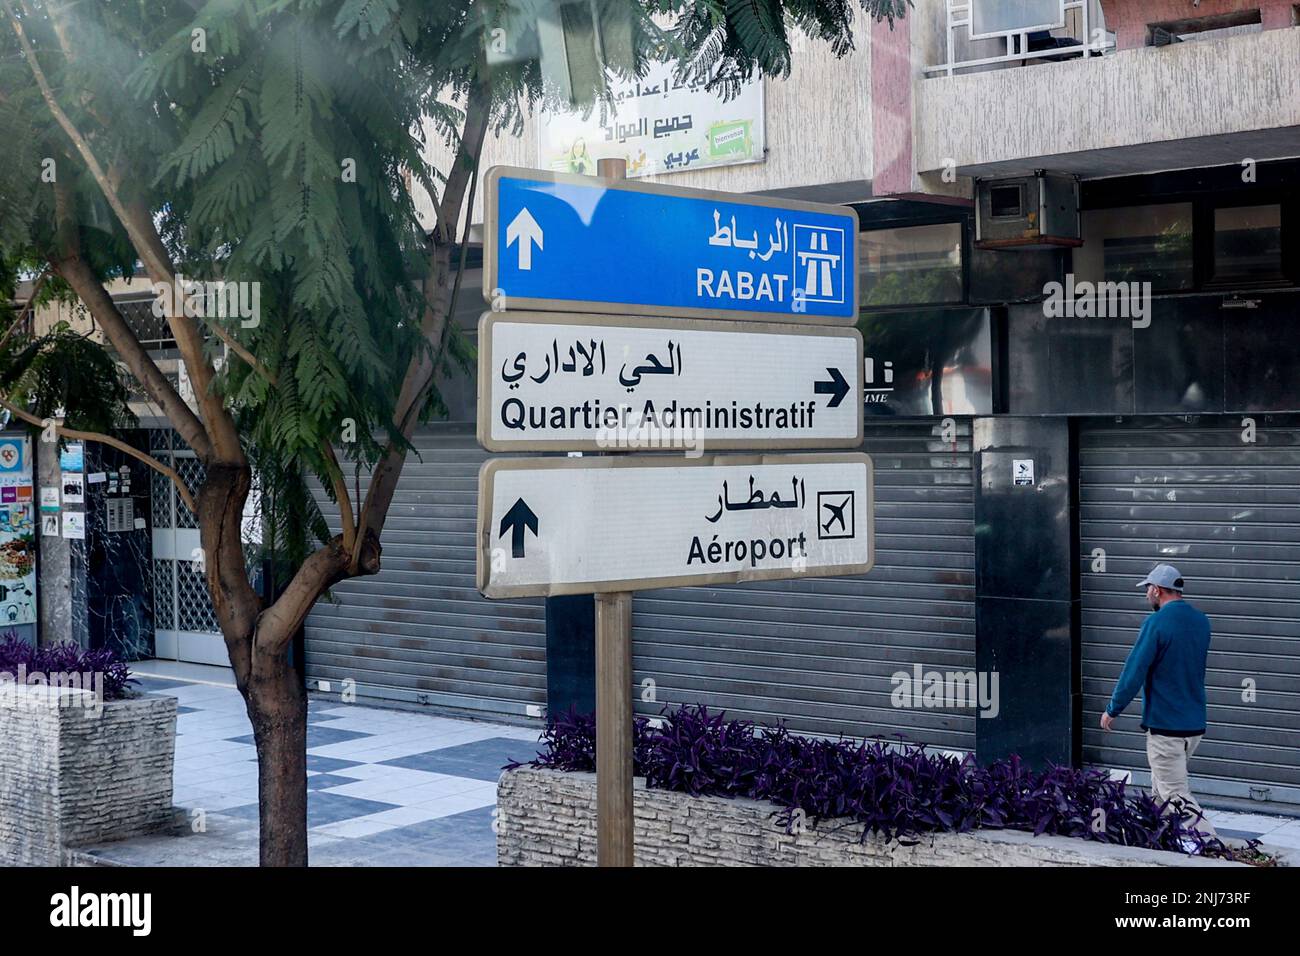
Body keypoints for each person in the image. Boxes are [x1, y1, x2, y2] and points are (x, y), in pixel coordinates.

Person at [1100, 563, 1217, 839]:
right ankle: (1157, 839)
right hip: (1194, 725)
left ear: (1157, 590)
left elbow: (1134, 672)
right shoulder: (1201, 621)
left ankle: (1211, 846)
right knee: (1160, 791)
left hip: (1166, 727)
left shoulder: (1156, 623)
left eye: (1148, 590)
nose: (1146, 595)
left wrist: (1112, 709)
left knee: (1175, 795)